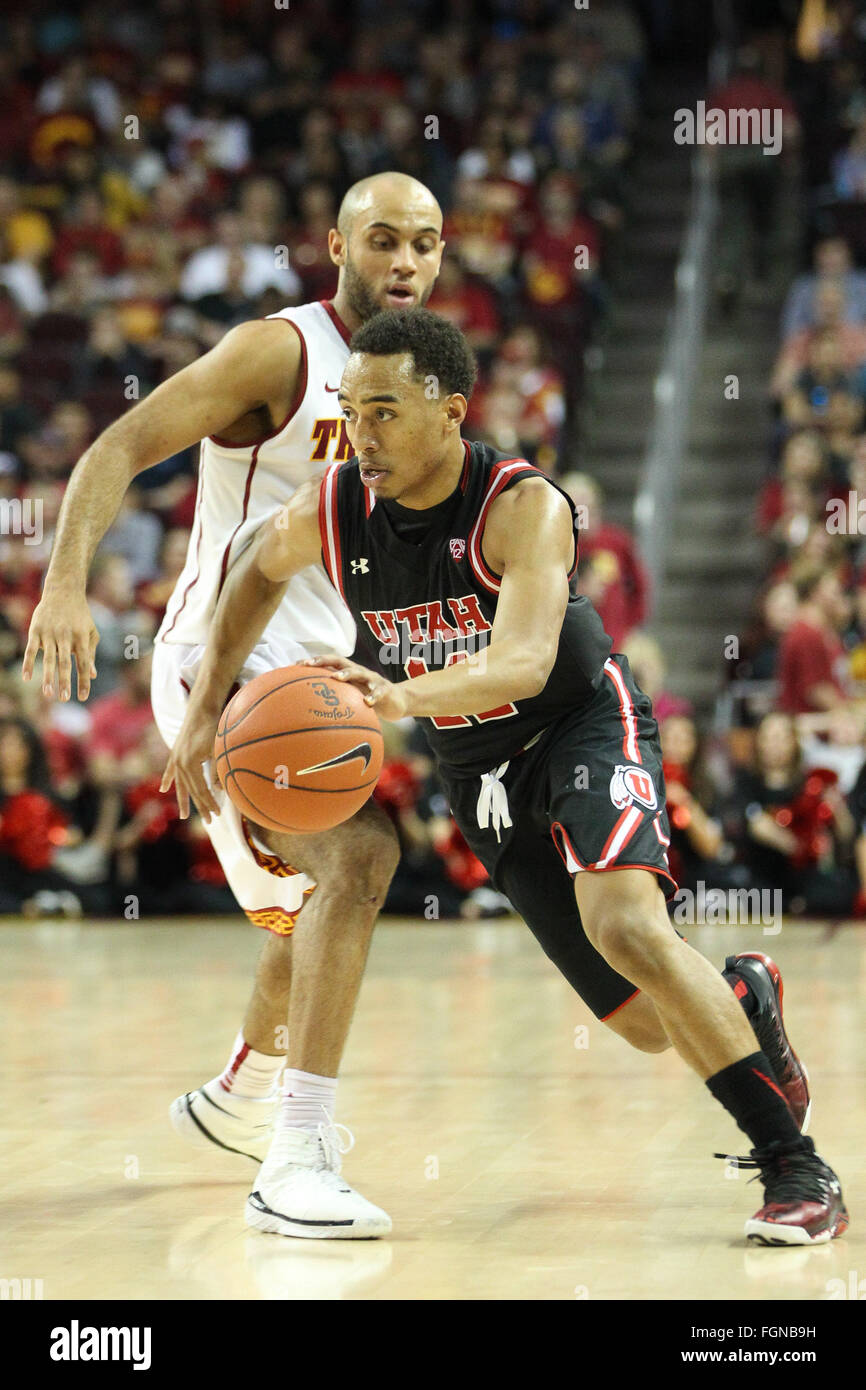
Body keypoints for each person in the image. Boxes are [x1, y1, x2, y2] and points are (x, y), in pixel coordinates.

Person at [165, 310, 845, 1246]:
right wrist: (206, 706)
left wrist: (397, 696)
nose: (364, 434)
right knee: (647, 1025)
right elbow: (254, 571)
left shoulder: (523, 505)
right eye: (352, 410)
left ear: (452, 411)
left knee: (628, 927)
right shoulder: (331, 507)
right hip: (479, 771)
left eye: (388, 411)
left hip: (579, 725)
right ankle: (742, 1000)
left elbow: (524, 661)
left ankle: (796, 1169)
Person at [24, 172, 446, 1241]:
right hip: (220, 671)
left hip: (317, 679)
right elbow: (118, 447)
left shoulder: (420, 379)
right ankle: (291, 1162)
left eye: (427, 244)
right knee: (358, 866)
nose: (406, 261)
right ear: (336, 244)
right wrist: (65, 584)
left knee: (297, 915)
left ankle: (236, 1098)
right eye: (385, 239)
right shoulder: (281, 353)